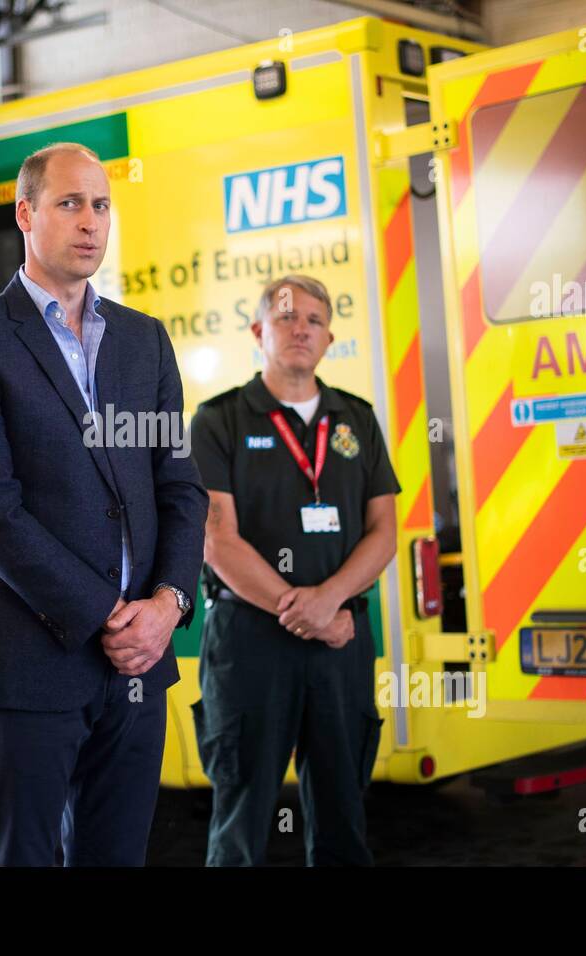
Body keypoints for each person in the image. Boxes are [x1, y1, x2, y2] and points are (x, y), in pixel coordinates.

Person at [0, 143, 207, 866]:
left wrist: (169, 603)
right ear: (26, 214)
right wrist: (108, 617)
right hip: (31, 664)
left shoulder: (143, 341)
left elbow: (179, 485)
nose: (90, 222)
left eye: (102, 204)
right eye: (69, 203)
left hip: (140, 666)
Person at [188, 274, 400, 866]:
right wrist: (303, 609)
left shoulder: (356, 420)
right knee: (240, 823)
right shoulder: (219, 420)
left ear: (329, 338)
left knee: (342, 819)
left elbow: (385, 530)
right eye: (286, 318)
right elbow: (215, 536)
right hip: (250, 645)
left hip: (340, 642)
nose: (300, 328)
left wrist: (328, 601)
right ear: (259, 332)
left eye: (313, 319)